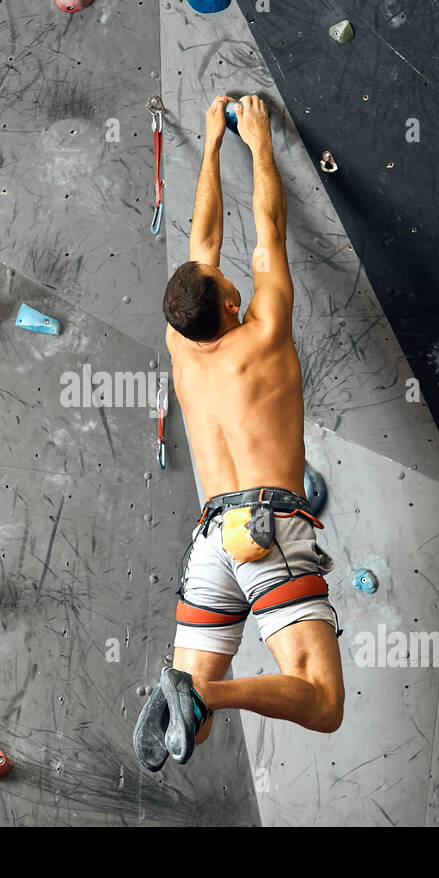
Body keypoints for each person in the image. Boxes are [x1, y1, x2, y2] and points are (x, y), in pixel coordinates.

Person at [135, 95, 345, 770]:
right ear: (231, 304)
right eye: (229, 285)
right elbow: (268, 228)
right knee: (322, 699)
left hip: (209, 543)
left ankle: (191, 700)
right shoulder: (263, 332)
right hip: (267, 529)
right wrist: (256, 143)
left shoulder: (179, 337)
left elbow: (202, 240)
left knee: (184, 729)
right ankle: (209, 696)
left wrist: (207, 135)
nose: (231, 278)